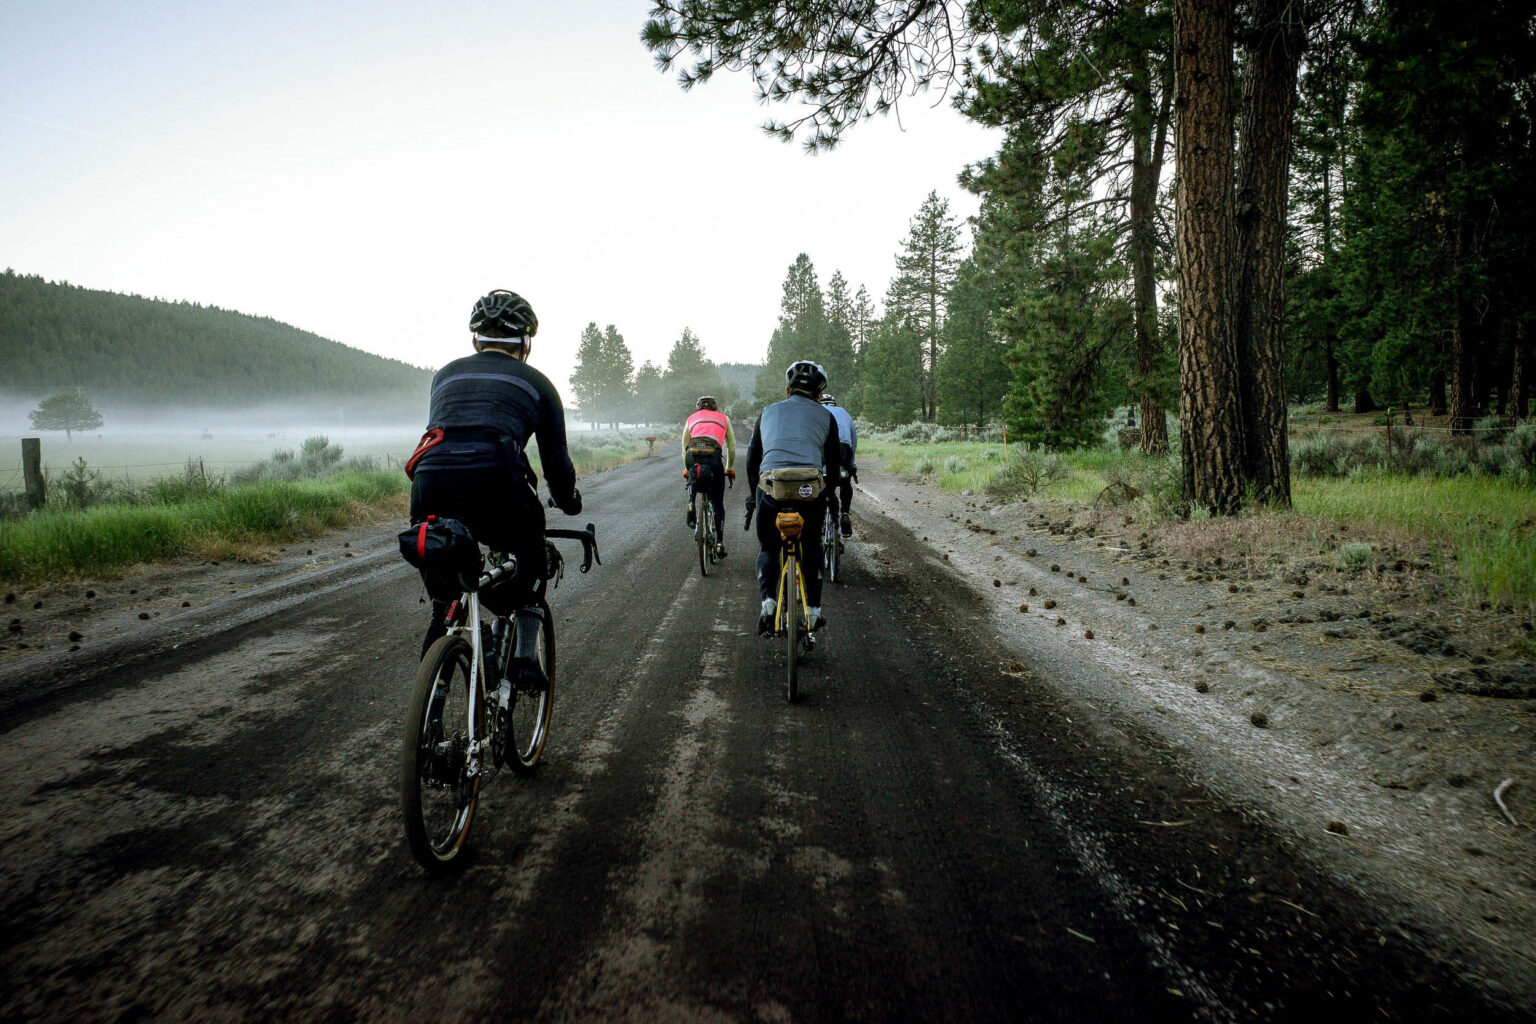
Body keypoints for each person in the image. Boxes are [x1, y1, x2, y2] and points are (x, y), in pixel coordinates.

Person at [407, 289, 583, 679]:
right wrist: (569, 502)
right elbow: (557, 466)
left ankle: (431, 714)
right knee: (531, 555)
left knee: (445, 604)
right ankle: (522, 658)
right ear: (526, 342)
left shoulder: (445, 375)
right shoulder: (538, 383)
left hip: (429, 484)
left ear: (475, 339)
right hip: (497, 486)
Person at [744, 360, 841, 634]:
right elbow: (833, 465)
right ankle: (813, 610)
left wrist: (754, 496)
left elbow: (752, 462)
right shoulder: (827, 417)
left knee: (768, 548)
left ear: (788, 390)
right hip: (810, 491)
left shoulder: (767, 412)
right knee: (811, 545)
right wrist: (830, 495)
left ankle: (768, 603)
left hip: (772, 488)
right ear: (819, 395)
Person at [682, 395, 736, 557]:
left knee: (693, 475)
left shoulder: (691, 418)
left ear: (698, 407)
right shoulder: (724, 419)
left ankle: (691, 502)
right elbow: (731, 447)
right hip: (714, 461)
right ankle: (719, 543)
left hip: (693, 458)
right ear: (715, 407)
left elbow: (685, 446)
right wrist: (729, 468)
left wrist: (686, 468)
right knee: (718, 502)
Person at [818, 393, 857, 537]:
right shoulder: (844, 413)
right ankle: (845, 513)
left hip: (823, 449)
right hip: (843, 449)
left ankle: (820, 517)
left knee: (821, 481)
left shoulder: (818, 412)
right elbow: (853, 440)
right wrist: (850, 464)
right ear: (834, 404)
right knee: (845, 482)